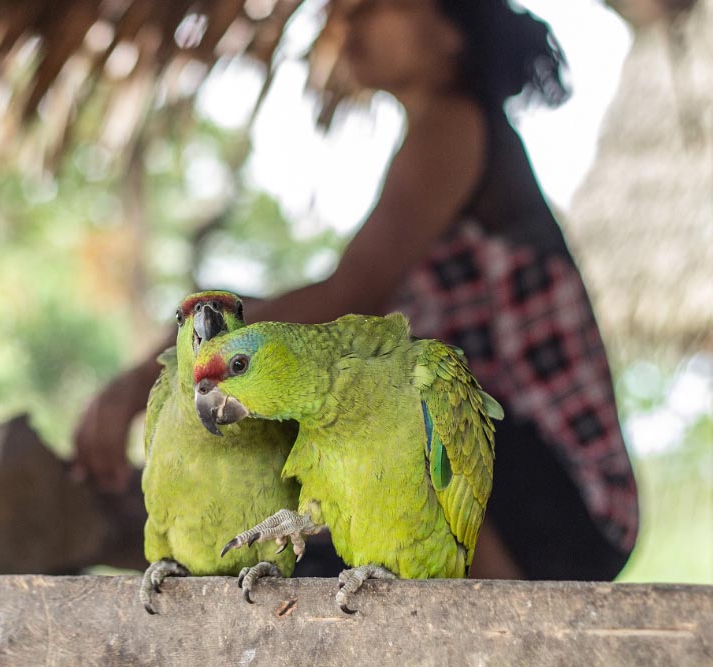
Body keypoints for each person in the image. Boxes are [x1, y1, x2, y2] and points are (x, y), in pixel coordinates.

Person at [73, 0, 638, 580]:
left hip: (563, 509)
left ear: (450, 33)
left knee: (376, 388)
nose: (346, 23)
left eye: (373, 6)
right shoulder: (444, 133)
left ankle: (483, 604)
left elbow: (347, 297)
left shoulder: (453, 125)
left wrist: (159, 373)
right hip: (526, 499)